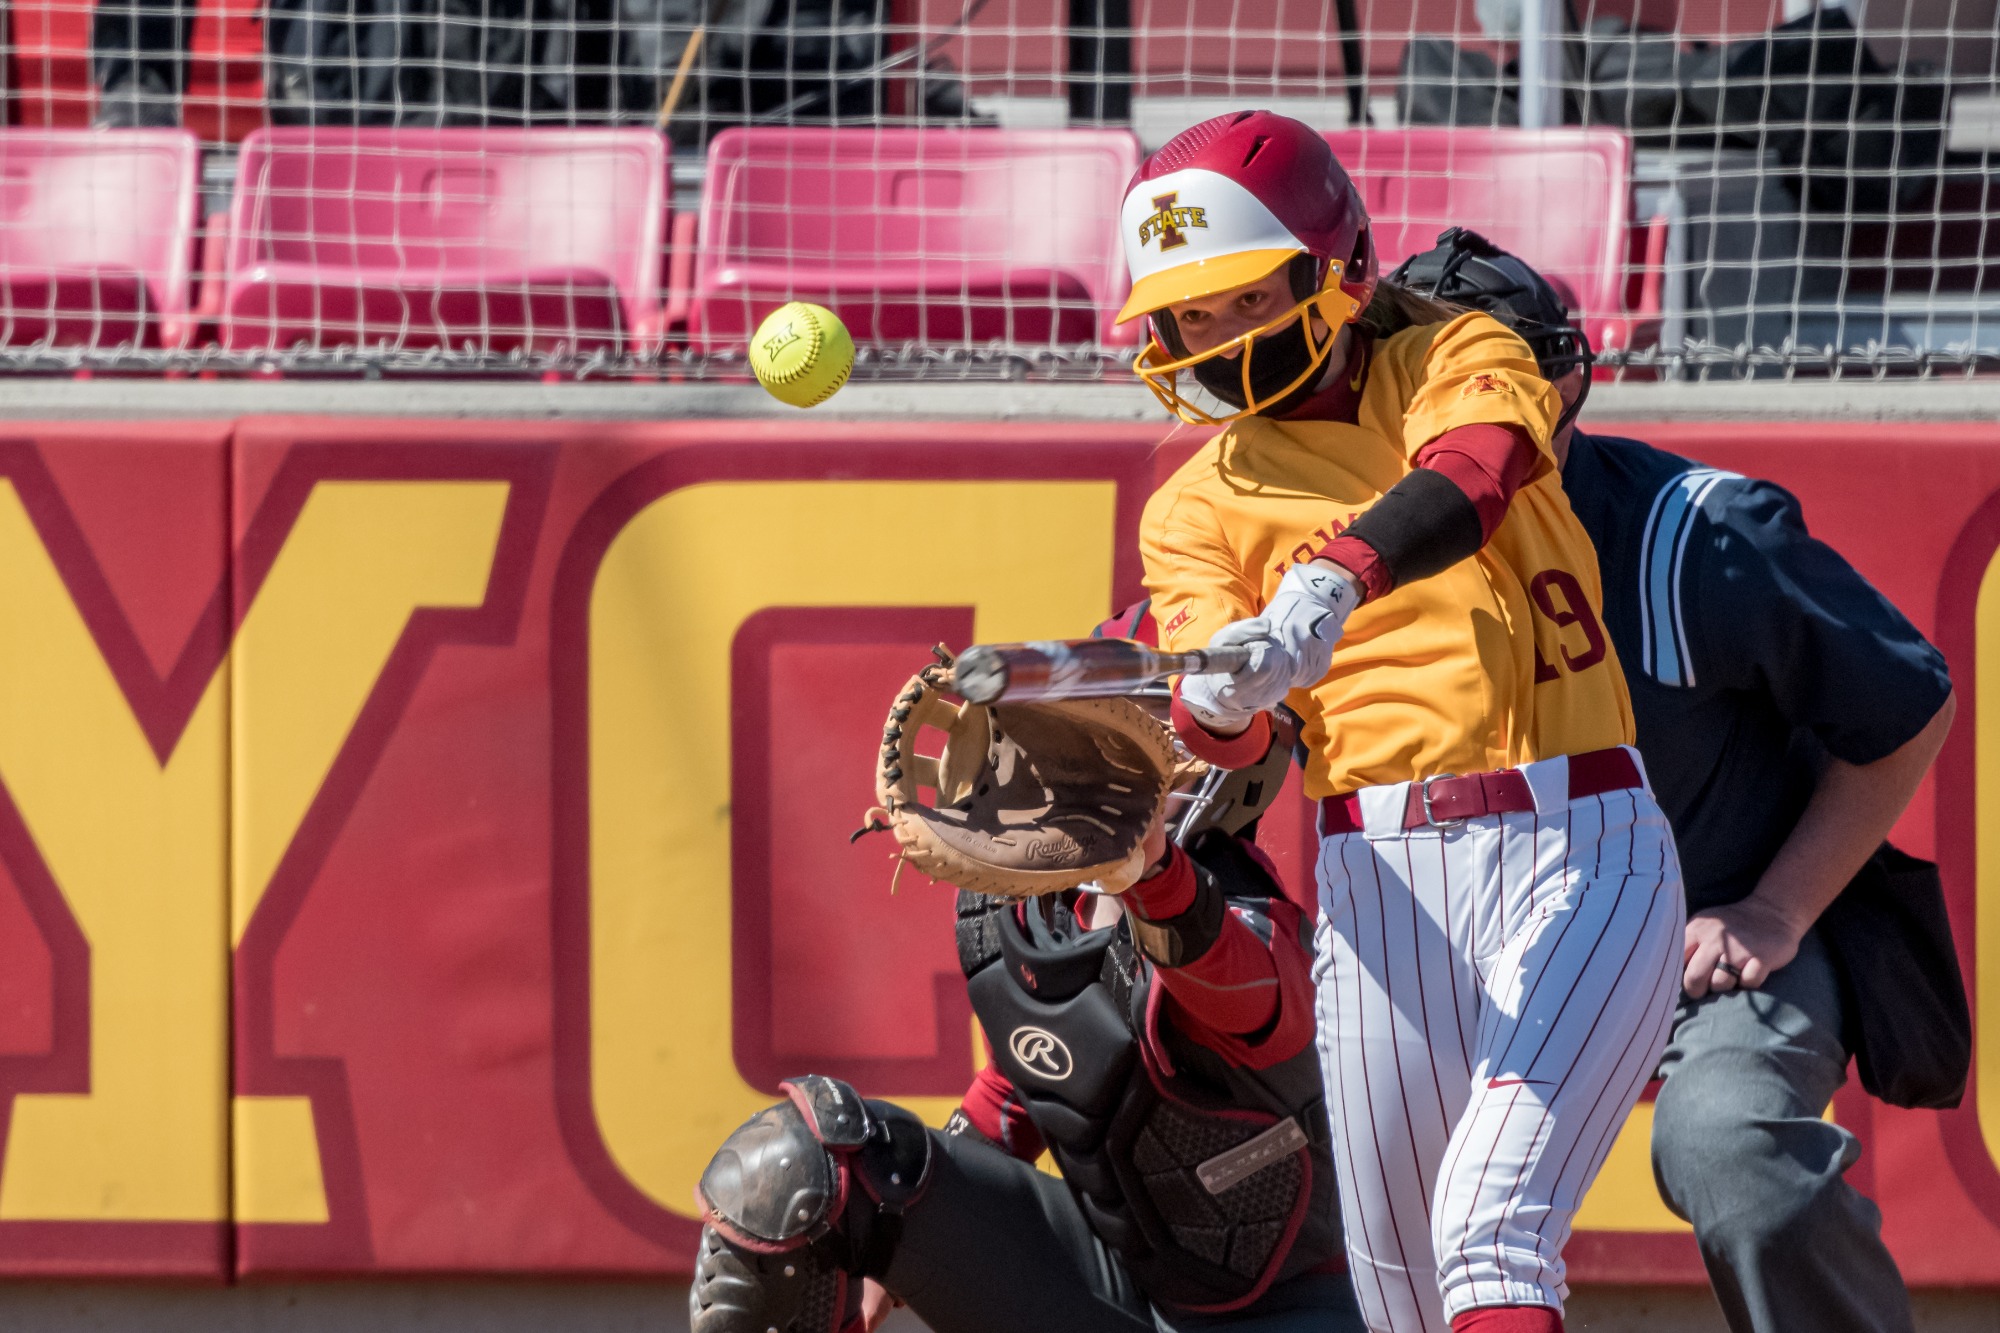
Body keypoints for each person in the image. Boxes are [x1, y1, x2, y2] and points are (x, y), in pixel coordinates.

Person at [1123, 111, 1684, 1333]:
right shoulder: (1189, 506)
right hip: (1373, 877)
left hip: (1576, 836)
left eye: (1235, 297)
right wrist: (1216, 706)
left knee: (1489, 1231)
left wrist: (1333, 577)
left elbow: (1477, 465)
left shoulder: (1450, 344)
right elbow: (1238, 736)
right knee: (1407, 1305)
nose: (1208, 337)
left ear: (1333, 272)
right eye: (1184, 315)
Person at [1390, 227, 1957, 1333]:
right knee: (1298, 1145)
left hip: (1705, 938)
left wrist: (1776, 906)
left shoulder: (1691, 536)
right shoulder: (1344, 548)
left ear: (1561, 387)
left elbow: (1906, 702)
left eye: (1489, 385)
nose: (1457, 425)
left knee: (1729, 1145)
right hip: (1476, 950)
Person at [689, 612, 1363, 1333]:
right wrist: (892, 1238)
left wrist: (1152, 871)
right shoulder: (1022, 916)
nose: (1082, 753)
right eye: (1079, 721)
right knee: (803, 1168)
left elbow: (1220, 975)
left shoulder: (1250, 920)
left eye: (1134, 726)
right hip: (1117, 1286)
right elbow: (1032, 1079)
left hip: (1289, 1306)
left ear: (1223, 762)